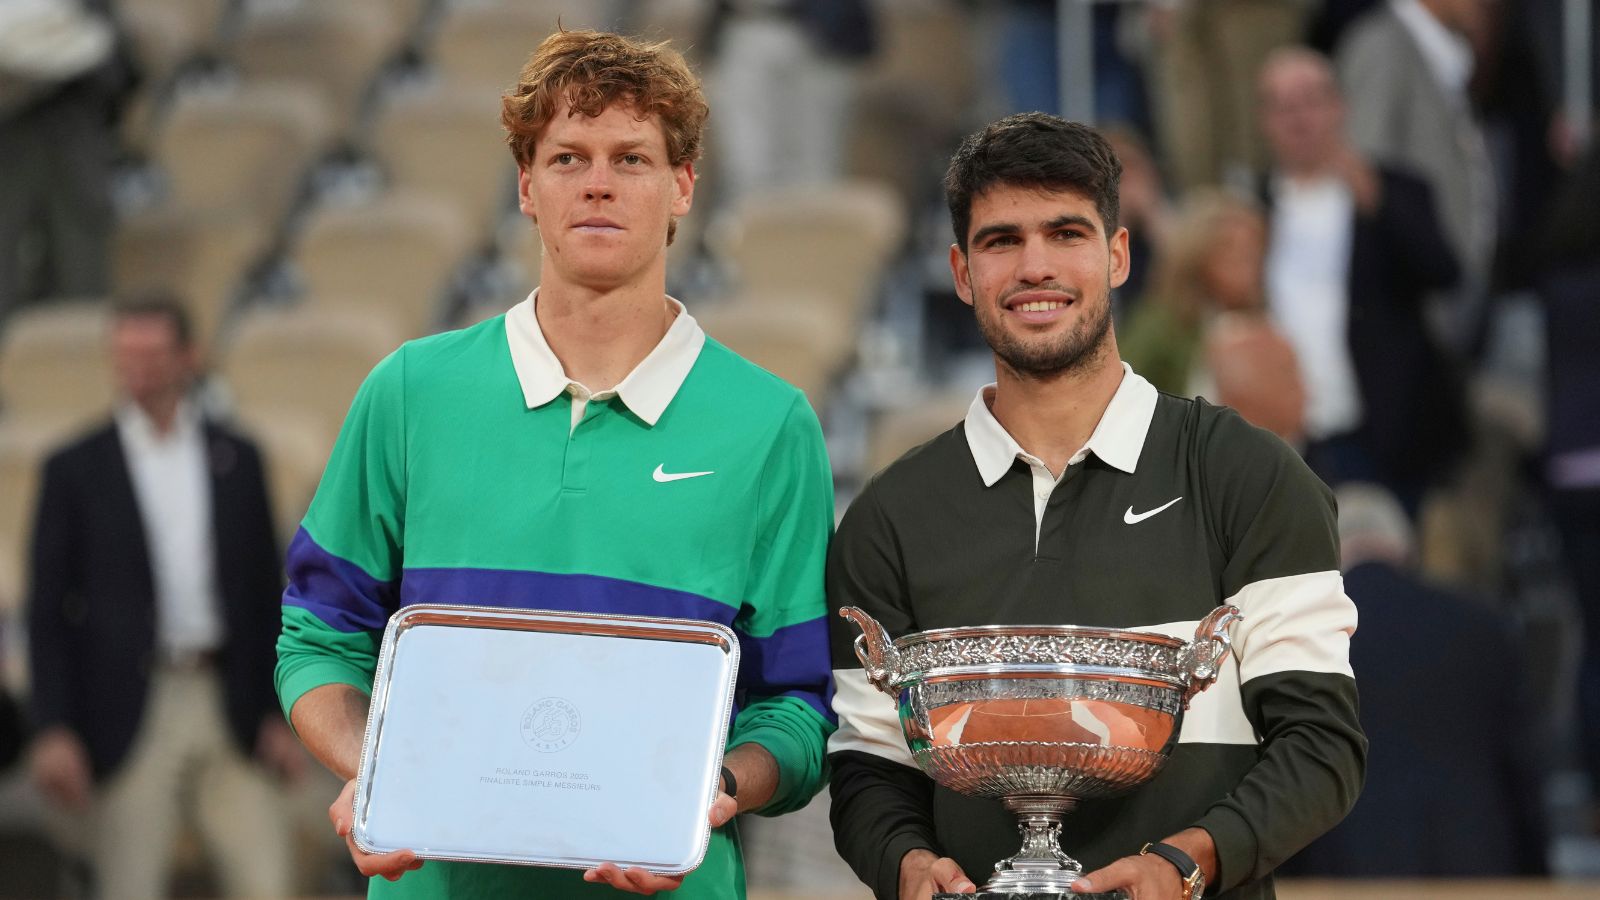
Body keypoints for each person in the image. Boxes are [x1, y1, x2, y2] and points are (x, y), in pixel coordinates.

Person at [275, 29, 836, 899]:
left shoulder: (770, 425)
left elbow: (797, 703)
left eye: (632, 159)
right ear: (526, 186)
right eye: (568, 157)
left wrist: (714, 790)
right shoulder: (410, 392)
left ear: (684, 185)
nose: (598, 183)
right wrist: (378, 768)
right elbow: (318, 637)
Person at [826, 114, 1366, 900]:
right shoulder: (889, 516)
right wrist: (906, 862)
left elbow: (1321, 746)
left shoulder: (1247, 475)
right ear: (962, 272)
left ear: (1117, 255)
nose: (1035, 267)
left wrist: (1186, 863)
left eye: (1066, 233)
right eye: (1002, 240)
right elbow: (870, 764)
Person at [27, 297, 301, 899]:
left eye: (152, 355)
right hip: (129, 707)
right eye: (126, 355)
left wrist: (281, 710)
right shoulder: (74, 469)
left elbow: (266, 594)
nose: (139, 370)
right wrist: (54, 726)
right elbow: (46, 612)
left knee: (267, 880)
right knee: (129, 884)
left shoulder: (238, 459)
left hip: (228, 699)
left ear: (187, 357)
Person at [1284, 483, 1547, 876]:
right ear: (1405, 545)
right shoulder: (1482, 625)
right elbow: (1521, 765)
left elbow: (1286, 777)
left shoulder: (1302, 637)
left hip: (1346, 869)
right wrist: (1540, 869)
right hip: (1476, 863)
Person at [1257, 47, 1466, 508]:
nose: (1299, 119)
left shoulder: (1393, 188)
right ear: (1265, 121)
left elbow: (1446, 272)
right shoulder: (1254, 204)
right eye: (1283, 107)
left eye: (1311, 101)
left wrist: (1380, 203)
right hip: (1287, 438)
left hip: (1381, 432)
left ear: (1339, 107)